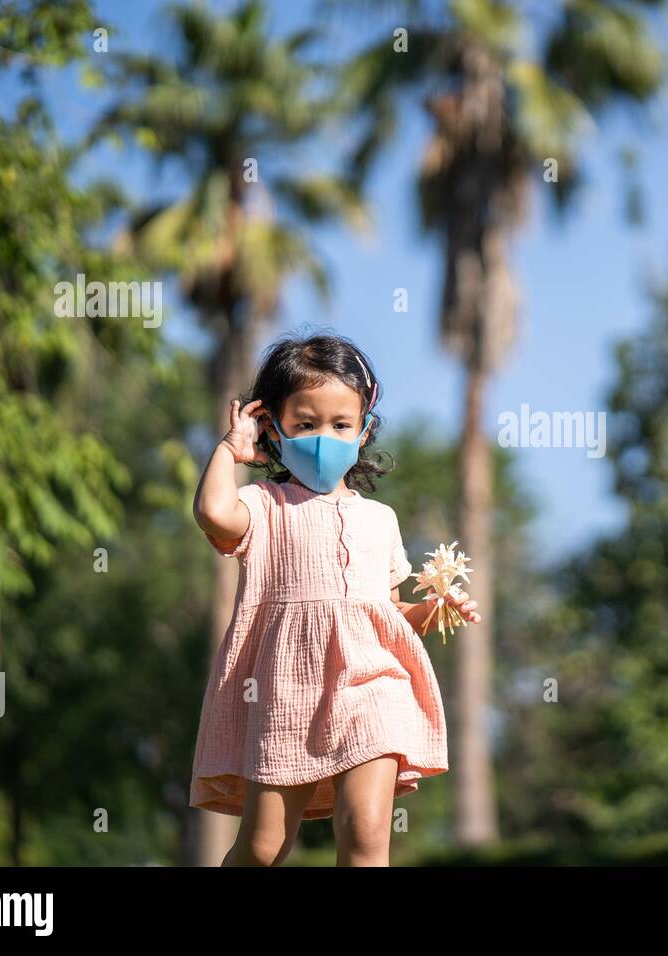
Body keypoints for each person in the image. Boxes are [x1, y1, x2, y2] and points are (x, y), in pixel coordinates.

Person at [188, 332, 480, 866]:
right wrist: (230, 451)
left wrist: (434, 609)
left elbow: (387, 615)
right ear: (273, 428)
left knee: (367, 830)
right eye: (305, 424)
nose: (324, 437)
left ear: (363, 429)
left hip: (374, 686)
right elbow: (212, 514)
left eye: (341, 425)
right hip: (285, 694)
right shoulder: (263, 505)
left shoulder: (380, 520)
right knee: (263, 847)